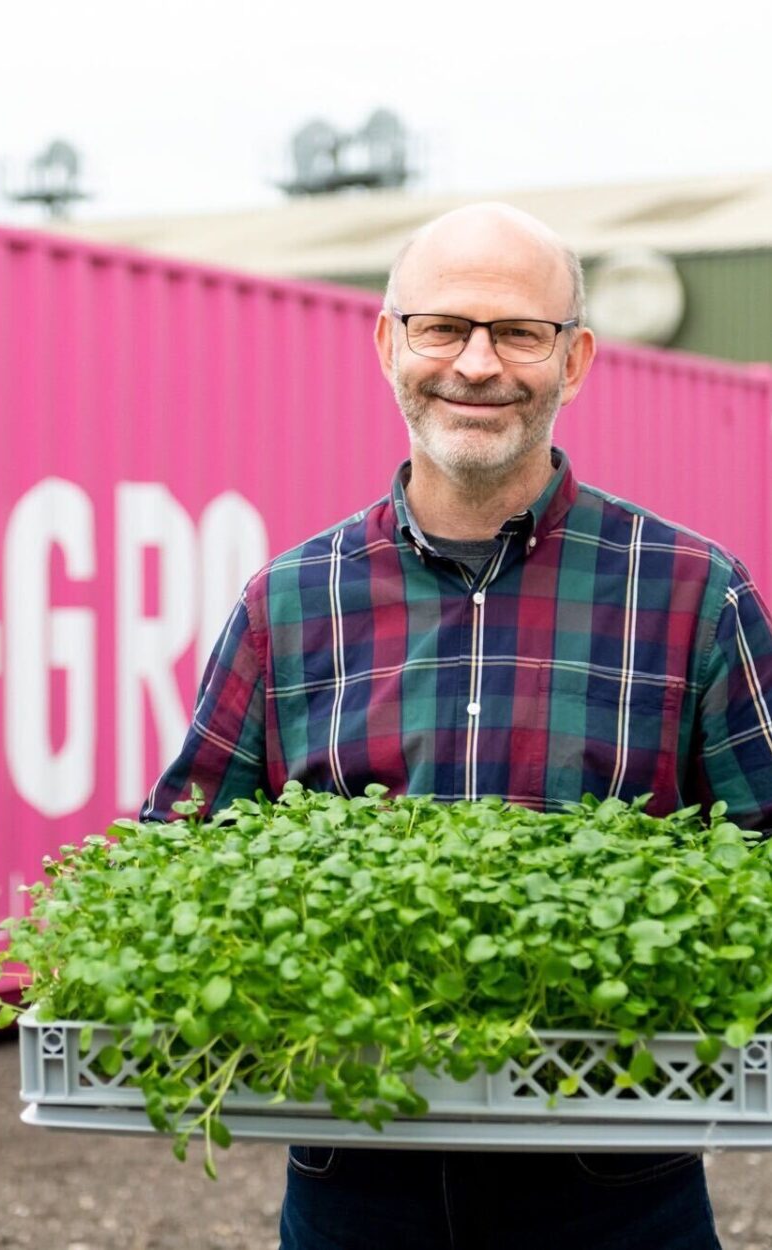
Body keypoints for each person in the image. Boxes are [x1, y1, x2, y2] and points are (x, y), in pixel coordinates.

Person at [140, 203, 772, 1249]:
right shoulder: (289, 600)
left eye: (517, 333)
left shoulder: (692, 593)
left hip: (616, 1180)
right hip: (356, 1171)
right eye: (442, 327)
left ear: (571, 363)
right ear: (388, 344)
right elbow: (179, 855)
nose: (476, 364)